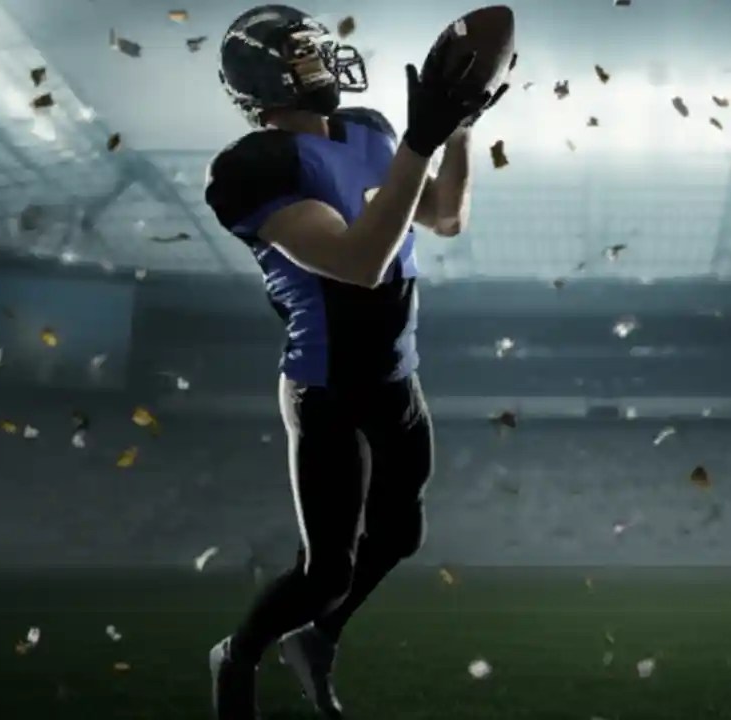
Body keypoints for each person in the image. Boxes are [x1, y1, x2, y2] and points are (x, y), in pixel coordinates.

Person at [202, 5, 511, 719]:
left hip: (397, 372)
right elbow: (360, 262)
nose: (325, 60)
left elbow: (446, 217)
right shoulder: (252, 167)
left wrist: (459, 127)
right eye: (305, 52)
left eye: (319, 47)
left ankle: (317, 641)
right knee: (326, 571)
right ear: (268, 75)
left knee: (401, 533)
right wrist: (424, 139)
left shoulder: (369, 129)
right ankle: (239, 652)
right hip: (326, 386)